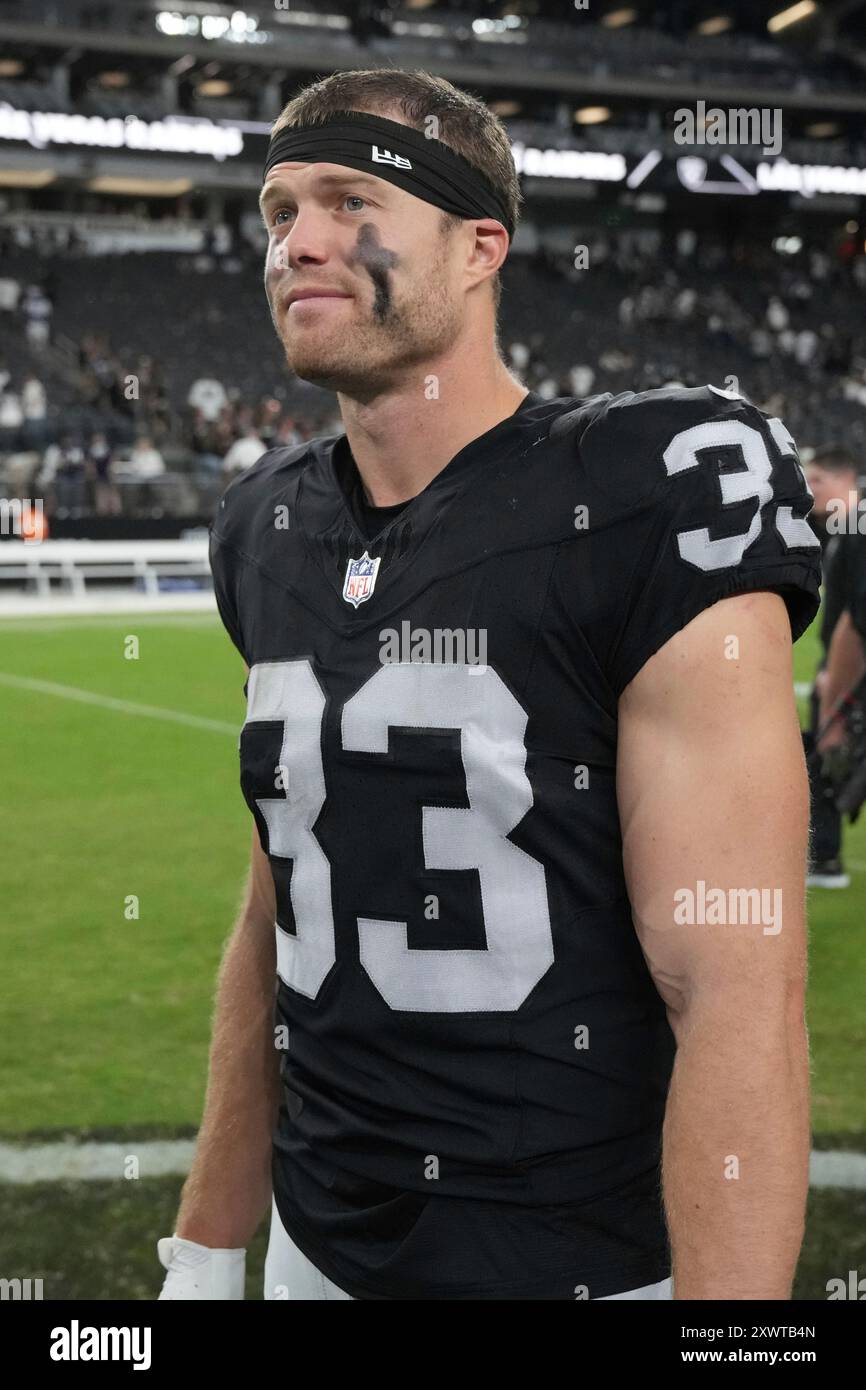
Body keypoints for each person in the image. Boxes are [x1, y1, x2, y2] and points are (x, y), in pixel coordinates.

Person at [158, 68, 822, 1303]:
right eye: (275, 209)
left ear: (477, 247)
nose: (295, 241)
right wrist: (205, 1246)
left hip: (573, 1266)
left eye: (349, 200)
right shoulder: (266, 521)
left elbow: (731, 984)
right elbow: (278, 910)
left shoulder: (645, 488)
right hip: (316, 1243)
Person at [803, 446, 864, 887]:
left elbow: (854, 619)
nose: (809, 491)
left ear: (846, 480)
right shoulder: (840, 529)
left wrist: (836, 689)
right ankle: (824, 858)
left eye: (817, 481)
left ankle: (825, 859)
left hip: (850, 673)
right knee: (824, 762)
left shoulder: (858, 528)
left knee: (825, 753)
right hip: (844, 664)